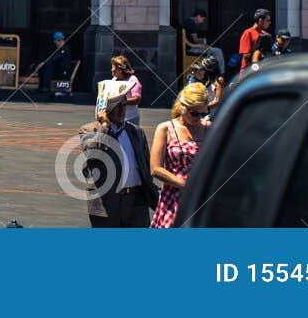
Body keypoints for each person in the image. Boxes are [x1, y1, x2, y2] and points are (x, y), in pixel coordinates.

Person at [77, 87, 156, 228]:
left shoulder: (136, 131)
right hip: (107, 205)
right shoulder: (89, 130)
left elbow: (145, 165)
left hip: (136, 202)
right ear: (105, 109)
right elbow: (93, 155)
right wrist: (105, 126)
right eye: (116, 106)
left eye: (124, 105)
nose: (121, 110)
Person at [149, 82, 211, 228]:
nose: (199, 117)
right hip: (174, 197)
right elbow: (155, 169)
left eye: (203, 113)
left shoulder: (209, 128)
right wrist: (185, 184)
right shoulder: (166, 128)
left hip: (202, 196)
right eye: (195, 113)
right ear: (183, 106)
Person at [95, 55, 142, 125]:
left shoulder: (132, 80)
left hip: (129, 118)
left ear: (120, 70)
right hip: (116, 119)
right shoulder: (114, 80)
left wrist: (121, 101)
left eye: (113, 67)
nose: (112, 69)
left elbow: (137, 99)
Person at [40, 30, 73, 97]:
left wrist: (44, 63)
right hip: (58, 70)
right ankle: (44, 86)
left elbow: (54, 59)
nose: (58, 42)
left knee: (49, 66)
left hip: (63, 72)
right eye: (57, 41)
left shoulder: (64, 50)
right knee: (46, 66)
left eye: (60, 40)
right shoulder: (58, 50)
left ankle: (47, 86)